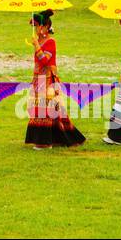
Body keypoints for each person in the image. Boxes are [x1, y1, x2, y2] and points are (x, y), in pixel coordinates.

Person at [24, 12, 85, 148]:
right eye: (35, 27)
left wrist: (36, 46)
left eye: (38, 26)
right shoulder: (40, 41)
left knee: (46, 109)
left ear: (46, 27)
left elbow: (45, 60)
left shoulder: (51, 42)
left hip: (48, 80)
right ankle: (55, 138)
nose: (36, 29)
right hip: (39, 79)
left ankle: (45, 142)